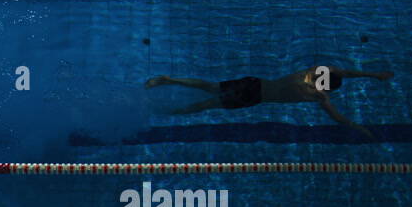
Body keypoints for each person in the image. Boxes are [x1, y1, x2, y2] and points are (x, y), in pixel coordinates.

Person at [145, 65, 393, 138]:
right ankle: (169, 112)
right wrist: (357, 127)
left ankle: (169, 80)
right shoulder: (319, 95)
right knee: (207, 105)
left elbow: (346, 72)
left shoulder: (311, 70)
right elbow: (336, 117)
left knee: (211, 87)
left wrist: (374, 74)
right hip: (255, 96)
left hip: (255, 81)